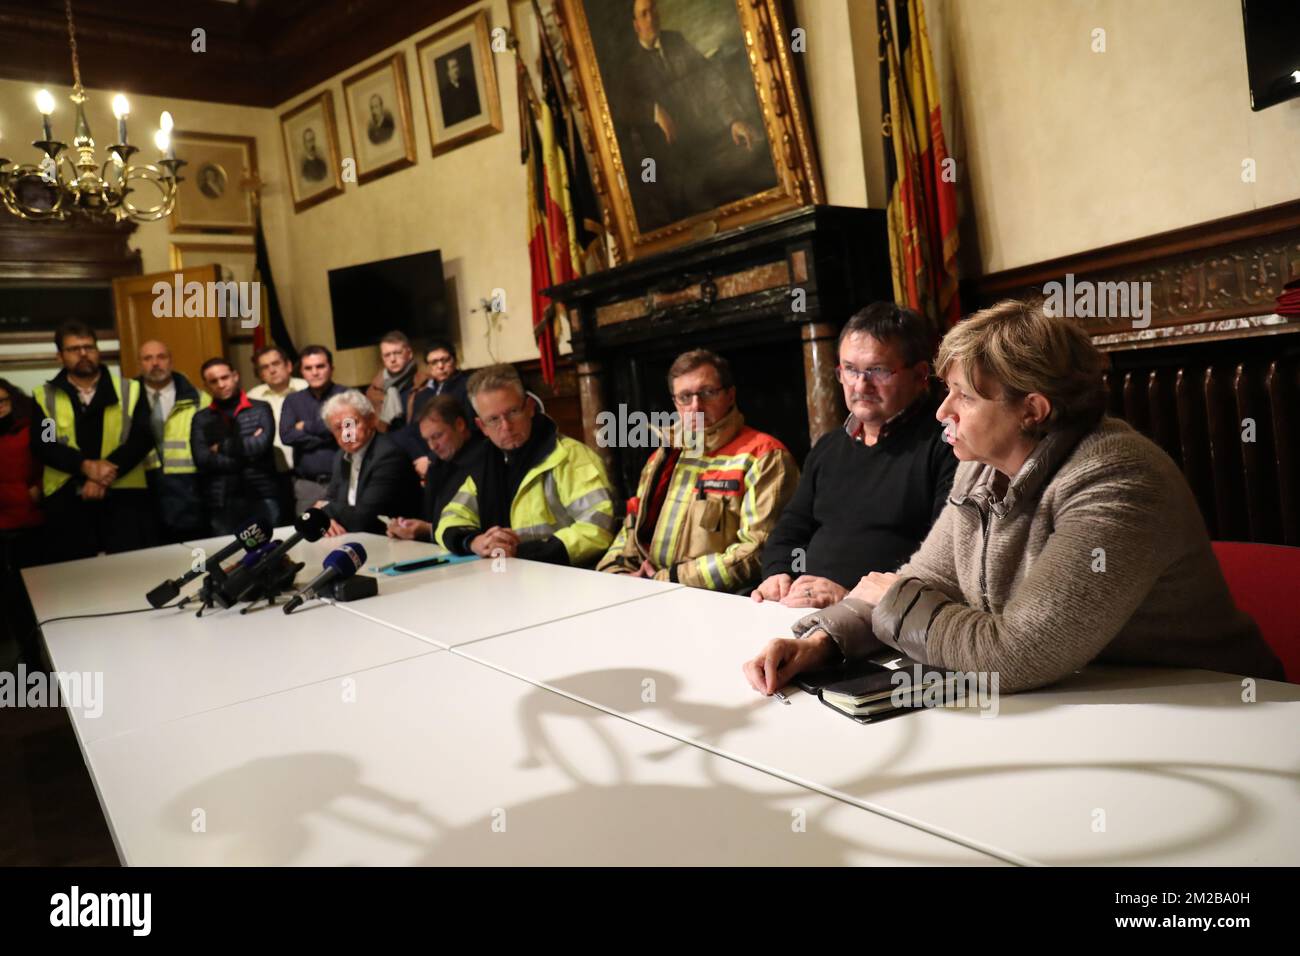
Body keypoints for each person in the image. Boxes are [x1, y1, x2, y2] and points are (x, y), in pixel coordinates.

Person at [743, 299, 1285, 697]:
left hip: (1213, 710)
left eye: (965, 396)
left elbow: (1013, 655)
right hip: (1084, 697)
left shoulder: (1117, 480)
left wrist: (890, 602)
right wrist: (823, 641)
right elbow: (929, 581)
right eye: (946, 389)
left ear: (1033, 409)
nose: (942, 412)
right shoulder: (979, 464)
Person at [754, 304, 956, 608]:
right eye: (849, 369)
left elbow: (944, 558)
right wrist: (778, 573)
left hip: (883, 623)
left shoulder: (949, 443)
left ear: (920, 375)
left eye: (878, 370)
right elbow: (790, 529)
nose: (861, 385)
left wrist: (848, 597)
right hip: (798, 607)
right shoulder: (828, 447)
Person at [597, 349, 798, 591]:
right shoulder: (661, 457)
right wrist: (613, 574)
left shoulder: (765, 456)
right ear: (674, 402)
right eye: (685, 397)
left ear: (730, 395)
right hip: (648, 589)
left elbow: (757, 550)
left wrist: (668, 579)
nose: (696, 406)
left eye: (708, 393)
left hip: (720, 599)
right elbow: (631, 526)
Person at [435, 364, 617, 567]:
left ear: (530, 407)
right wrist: (476, 542)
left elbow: (598, 528)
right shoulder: (484, 465)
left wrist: (522, 553)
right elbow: (450, 518)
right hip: (508, 577)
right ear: (482, 427)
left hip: (569, 578)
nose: (506, 426)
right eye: (493, 419)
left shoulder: (571, 456)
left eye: (512, 412)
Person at [620, 0, 774, 228]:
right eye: (643, 14)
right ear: (636, 25)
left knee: (757, 167)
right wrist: (654, 111)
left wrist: (734, 119)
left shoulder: (676, 40)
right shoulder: (630, 67)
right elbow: (622, 107)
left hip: (705, 144)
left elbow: (710, 78)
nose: (651, 18)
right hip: (669, 162)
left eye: (653, 10)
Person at [30, 321, 158, 562]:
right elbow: (45, 444)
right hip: (68, 502)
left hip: (124, 498)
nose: (83, 354)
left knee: (130, 571)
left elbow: (142, 438)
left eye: (89, 347)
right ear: (59, 356)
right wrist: (85, 467)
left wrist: (103, 473)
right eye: (73, 349)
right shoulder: (46, 396)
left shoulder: (129, 389)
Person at [191, 357, 281, 535]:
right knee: (229, 557)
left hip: (262, 493)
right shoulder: (202, 418)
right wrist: (245, 457)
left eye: (224, 378)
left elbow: (261, 446)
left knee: (271, 552)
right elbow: (202, 459)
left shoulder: (260, 408)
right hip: (222, 497)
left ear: (235, 376)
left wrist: (220, 447)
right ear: (206, 385)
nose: (221, 384)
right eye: (213, 381)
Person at [314, 390, 420, 536]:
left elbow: (364, 518)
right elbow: (332, 498)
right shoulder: (341, 456)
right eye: (339, 428)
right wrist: (326, 518)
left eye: (352, 424)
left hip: (393, 541)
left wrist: (325, 511)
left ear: (371, 420)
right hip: (355, 538)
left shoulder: (389, 455)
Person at [137, 339, 209, 542]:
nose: (155, 363)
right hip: (143, 488)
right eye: (147, 358)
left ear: (171, 361)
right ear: (139, 363)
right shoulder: (127, 397)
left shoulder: (198, 398)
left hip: (189, 489)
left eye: (161, 357)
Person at [387, 394, 483, 542]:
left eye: (437, 436)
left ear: (459, 425)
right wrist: (408, 527)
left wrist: (428, 530)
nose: (433, 446)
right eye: (427, 440)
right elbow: (431, 518)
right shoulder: (437, 466)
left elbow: (479, 525)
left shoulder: (486, 459)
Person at [0, 379, 43, 666]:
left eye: (3, 401)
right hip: (2, 529)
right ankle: (29, 663)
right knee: (12, 604)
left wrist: (39, 487)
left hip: (34, 524)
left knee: (42, 596)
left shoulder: (35, 427)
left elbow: (51, 456)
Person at [280, 345, 346, 513]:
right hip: (307, 486)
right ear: (301, 372)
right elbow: (287, 436)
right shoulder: (292, 400)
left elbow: (349, 436)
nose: (315, 372)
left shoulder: (348, 396)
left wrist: (307, 426)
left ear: (331, 368)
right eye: (308, 368)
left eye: (320, 366)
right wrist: (331, 433)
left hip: (343, 481)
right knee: (306, 535)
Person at [392, 340, 474, 467]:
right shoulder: (422, 394)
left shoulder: (468, 386)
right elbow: (413, 431)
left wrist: (431, 459)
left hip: (459, 454)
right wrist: (421, 458)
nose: (440, 366)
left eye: (445, 360)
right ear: (428, 366)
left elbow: (469, 427)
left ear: (455, 360)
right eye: (434, 362)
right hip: (427, 458)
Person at [247, 345, 307, 515]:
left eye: (276, 363)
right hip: (271, 475)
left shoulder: (307, 388)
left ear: (288, 366)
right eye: (265, 367)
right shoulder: (252, 397)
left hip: (307, 472)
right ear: (260, 374)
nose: (272, 370)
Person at [364, 330, 428, 434]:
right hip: (386, 445)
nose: (393, 359)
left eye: (397, 353)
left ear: (409, 354)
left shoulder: (425, 382)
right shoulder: (373, 392)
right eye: (387, 355)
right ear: (382, 358)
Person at [438, 50, 480, 126]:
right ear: (448, 72)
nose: (456, 70)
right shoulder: (444, 94)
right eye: (453, 67)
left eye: (457, 66)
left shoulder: (467, 84)